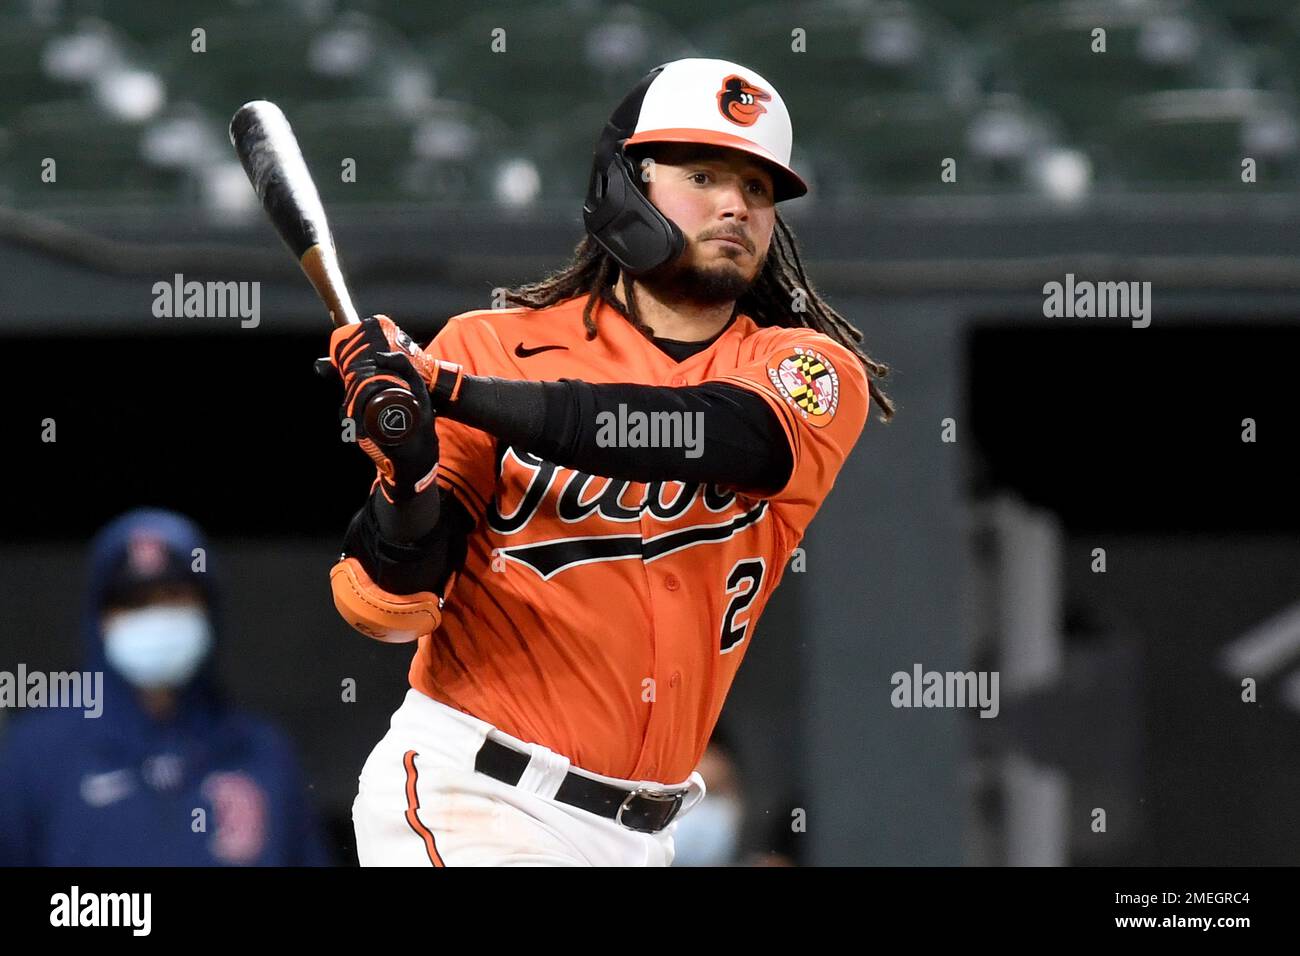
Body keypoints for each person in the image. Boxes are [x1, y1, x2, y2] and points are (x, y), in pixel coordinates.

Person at [329, 57, 894, 866]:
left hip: (644, 836)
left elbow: (699, 435)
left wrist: (452, 391)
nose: (736, 204)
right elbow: (390, 606)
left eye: (760, 189)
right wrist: (408, 473)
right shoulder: (493, 347)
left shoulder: (807, 369)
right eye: (703, 173)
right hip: (475, 795)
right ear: (623, 186)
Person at [0, 509, 330, 866]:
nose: (156, 616)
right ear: (100, 619)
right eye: (134, 602)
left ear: (207, 610)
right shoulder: (36, 754)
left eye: (174, 596)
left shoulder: (262, 751)